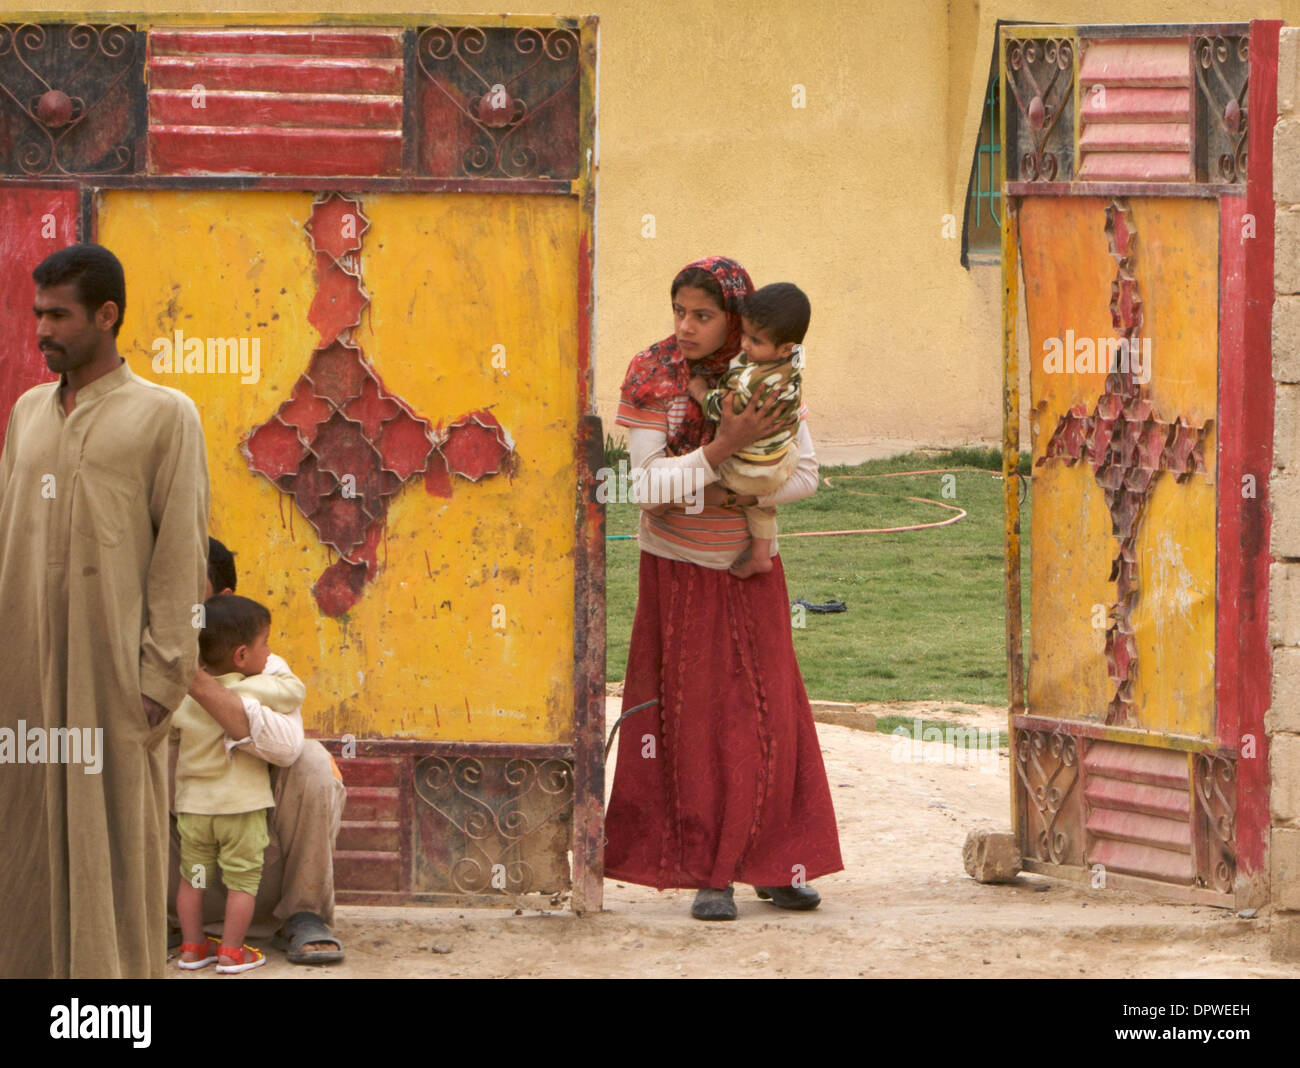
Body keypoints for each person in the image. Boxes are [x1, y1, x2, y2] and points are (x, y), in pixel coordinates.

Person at [604, 256, 843, 921]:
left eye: (702, 315)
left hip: (749, 570)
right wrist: (722, 448)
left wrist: (720, 485)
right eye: (678, 311)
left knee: (770, 719)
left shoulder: (764, 377)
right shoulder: (653, 378)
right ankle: (711, 874)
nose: (685, 327)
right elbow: (645, 488)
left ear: (736, 319)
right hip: (679, 573)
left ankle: (775, 865)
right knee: (697, 723)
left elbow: (805, 476)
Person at [0, 244, 209, 977]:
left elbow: (182, 559)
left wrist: (157, 687)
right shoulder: (27, 414)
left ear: (107, 315)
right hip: (23, 685)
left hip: (113, 689)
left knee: (113, 860)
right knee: (22, 853)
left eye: (59, 316)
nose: (42, 332)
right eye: (38, 315)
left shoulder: (165, 417)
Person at [167, 536, 347, 964]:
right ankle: (162, 922)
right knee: (123, 757)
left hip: (258, 866)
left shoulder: (267, 666)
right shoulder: (145, 656)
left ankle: (303, 913)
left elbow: (284, 748)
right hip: (183, 870)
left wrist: (192, 679)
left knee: (313, 762)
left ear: (223, 603)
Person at [174, 595, 300, 973]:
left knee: (192, 878)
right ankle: (232, 951)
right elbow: (295, 691)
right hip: (240, 809)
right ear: (242, 656)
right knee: (242, 881)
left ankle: (193, 948)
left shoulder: (185, 695)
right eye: (266, 643)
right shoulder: (251, 689)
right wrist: (266, 678)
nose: (270, 651)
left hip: (194, 808)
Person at [687, 282, 809, 579]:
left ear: (784, 348)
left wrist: (701, 391)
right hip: (781, 463)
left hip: (745, 471)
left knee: (690, 482)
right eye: (743, 334)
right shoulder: (794, 363)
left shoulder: (750, 382)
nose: (744, 345)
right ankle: (760, 556)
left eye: (755, 340)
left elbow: (721, 408)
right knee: (762, 507)